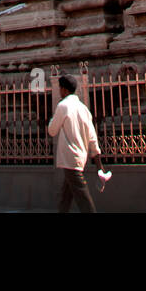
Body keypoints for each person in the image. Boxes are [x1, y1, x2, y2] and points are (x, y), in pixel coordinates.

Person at [48, 73, 110, 213]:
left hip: (69, 159)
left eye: (60, 89)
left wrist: (53, 118)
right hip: (80, 157)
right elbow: (92, 137)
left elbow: (52, 131)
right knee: (65, 197)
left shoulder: (63, 106)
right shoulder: (84, 109)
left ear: (63, 89)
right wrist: (98, 162)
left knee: (82, 196)